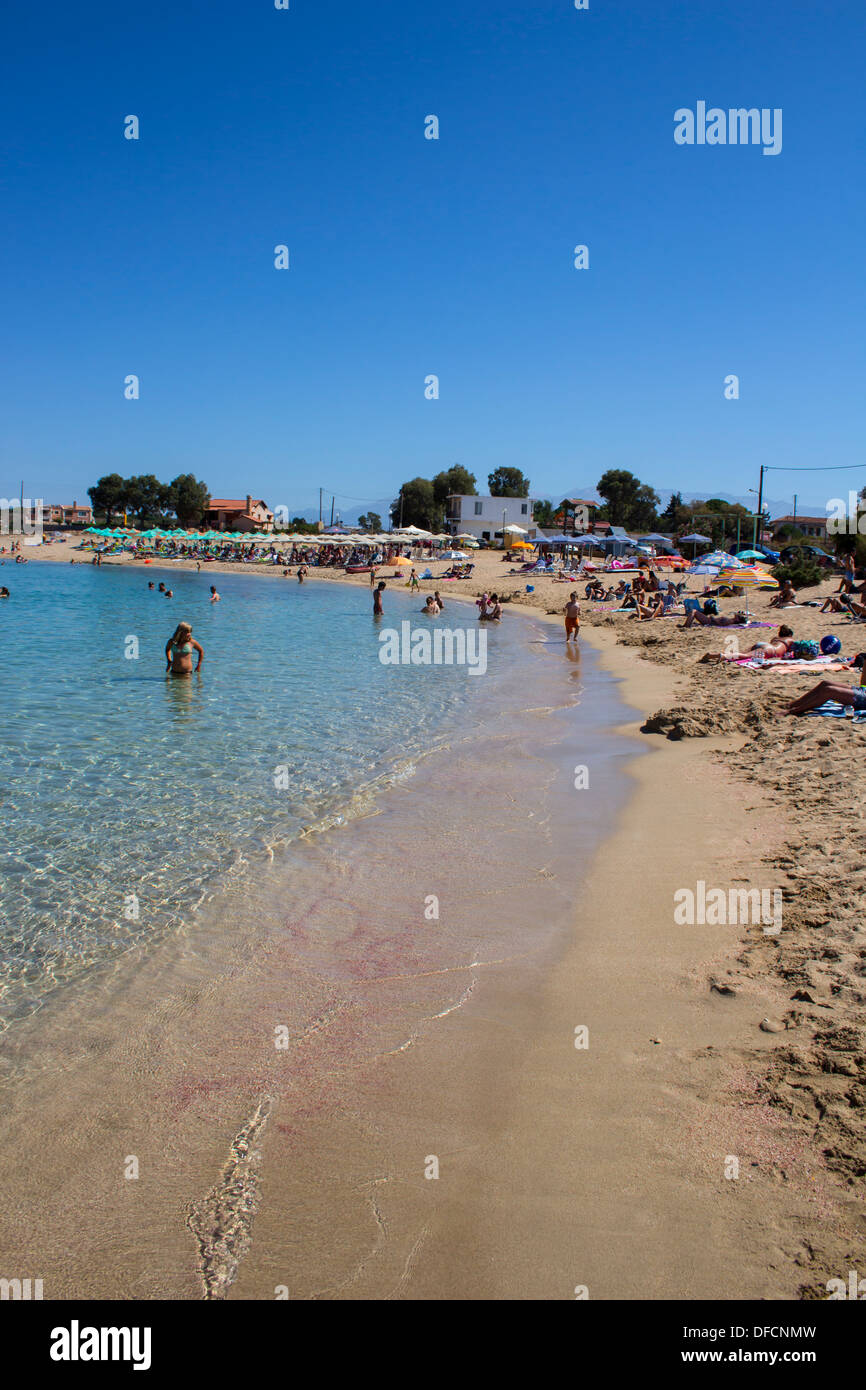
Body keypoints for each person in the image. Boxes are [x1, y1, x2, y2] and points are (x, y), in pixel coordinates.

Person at [682, 608, 748, 628]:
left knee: (694, 611)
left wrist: (712, 618)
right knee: (694, 611)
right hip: (710, 621)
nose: (737, 615)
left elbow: (720, 623)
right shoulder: (731, 620)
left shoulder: (730, 621)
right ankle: (686, 625)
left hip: (709, 621)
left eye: (738, 616)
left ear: (737, 619)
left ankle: (687, 625)